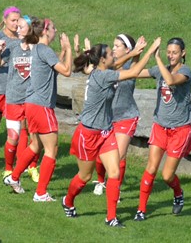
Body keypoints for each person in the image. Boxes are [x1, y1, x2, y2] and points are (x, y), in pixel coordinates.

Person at [62, 38, 158, 228]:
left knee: (113, 173)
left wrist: (133, 53)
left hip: (105, 132)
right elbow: (133, 71)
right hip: (88, 133)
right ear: (103, 60)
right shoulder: (102, 76)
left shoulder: (103, 70)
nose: (114, 55)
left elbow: (120, 65)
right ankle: (68, 201)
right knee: (84, 177)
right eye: (111, 53)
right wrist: (150, 51)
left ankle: (111, 217)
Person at [3, 17, 73, 202]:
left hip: (31, 104)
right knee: (52, 149)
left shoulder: (38, 50)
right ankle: (41, 193)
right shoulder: (44, 49)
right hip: (42, 106)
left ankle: (14, 176)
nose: (56, 32)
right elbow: (66, 71)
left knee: (35, 145)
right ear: (45, 31)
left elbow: (51, 69)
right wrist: (70, 48)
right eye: (54, 28)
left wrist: (64, 51)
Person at [135, 37, 191, 221]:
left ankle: (178, 193)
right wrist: (137, 53)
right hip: (160, 126)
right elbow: (135, 72)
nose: (171, 56)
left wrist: (158, 58)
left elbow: (170, 79)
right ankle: (141, 210)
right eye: (168, 52)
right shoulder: (160, 70)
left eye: (174, 52)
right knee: (151, 168)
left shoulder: (186, 72)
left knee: (167, 175)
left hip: (180, 129)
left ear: (183, 53)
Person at [0, 8, 38, 181]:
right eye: (13, 21)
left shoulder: (30, 45)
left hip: (22, 92)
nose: (15, 24)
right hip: (1, 86)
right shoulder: (0, 39)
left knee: (22, 131)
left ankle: (24, 165)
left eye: (18, 21)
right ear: (5, 20)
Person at [91, 34, 148, 196]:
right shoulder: (108, 65)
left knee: (119, 154)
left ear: (127, 49)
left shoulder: (131, 66)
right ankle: (101, 181)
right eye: (113, 46)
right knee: (101, 156)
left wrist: (140, 52)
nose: (113, 49)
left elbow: (135, 70)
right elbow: (114, 67)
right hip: (107, 117)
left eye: (117, 46)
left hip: (126, 115)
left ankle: (115, 189)